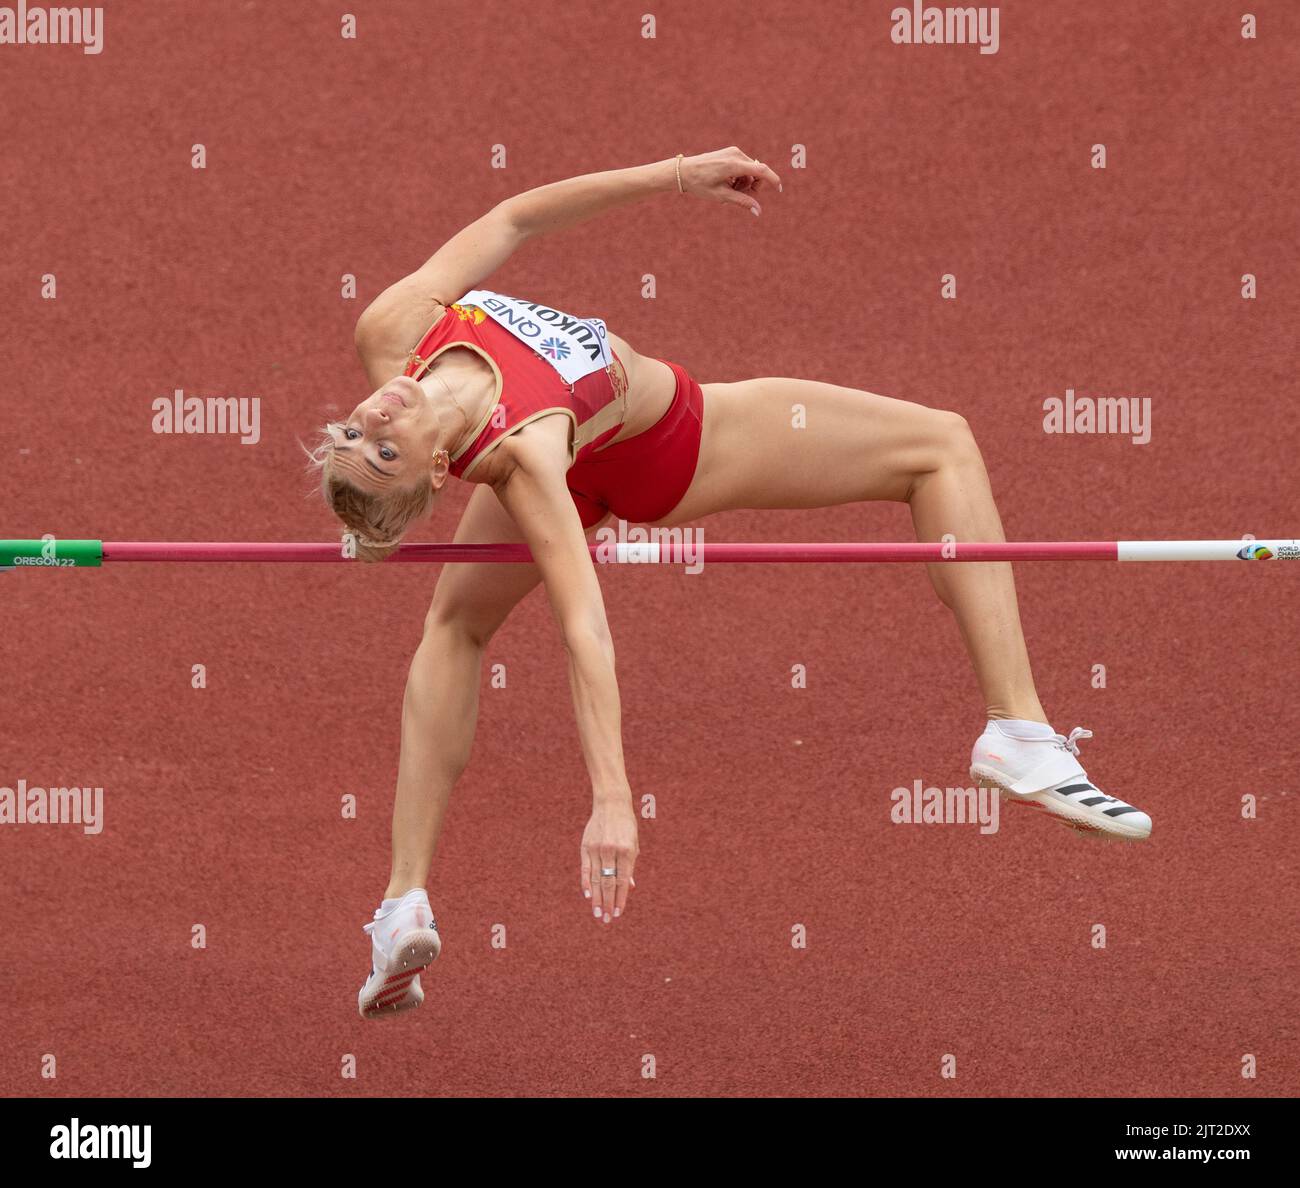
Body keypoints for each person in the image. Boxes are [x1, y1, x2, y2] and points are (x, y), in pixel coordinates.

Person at [304, 147, 1151, 1020]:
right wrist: (613, 803)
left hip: (588, 456)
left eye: (354, 432)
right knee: (941, 444)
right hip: (673, 447)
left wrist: (675, 174)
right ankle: (1017, 728)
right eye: (383, 453)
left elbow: (516, 215)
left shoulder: (393, 331)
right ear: (440, 467)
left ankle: (403, 903)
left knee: (455, 627)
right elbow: (584, 629)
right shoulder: (524, 461)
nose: (373, 419)